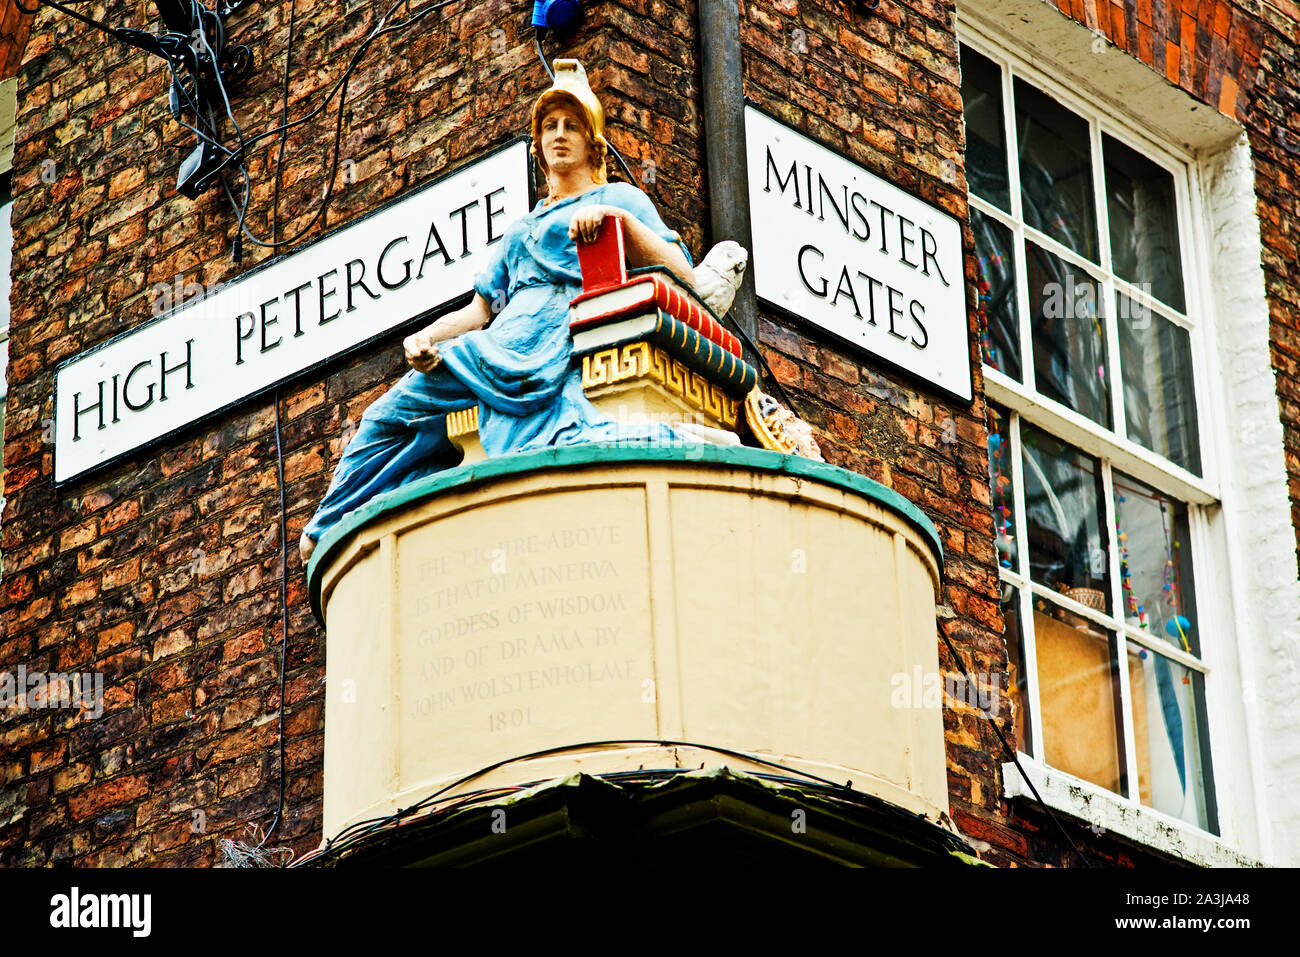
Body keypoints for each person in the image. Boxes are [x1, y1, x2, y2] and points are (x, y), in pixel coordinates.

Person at [299, 60, 696, 562]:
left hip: (556, 334)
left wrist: (616, 223)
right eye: (550, 126)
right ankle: (334, 523)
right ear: (537, 144)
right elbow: (477, 310)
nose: (559, 135)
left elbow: (683, 273)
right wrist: (425, 339)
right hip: (490, 343)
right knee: (386, 414)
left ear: (592, 139)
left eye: (572, 125)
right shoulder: (520, 229)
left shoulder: (618, 197)